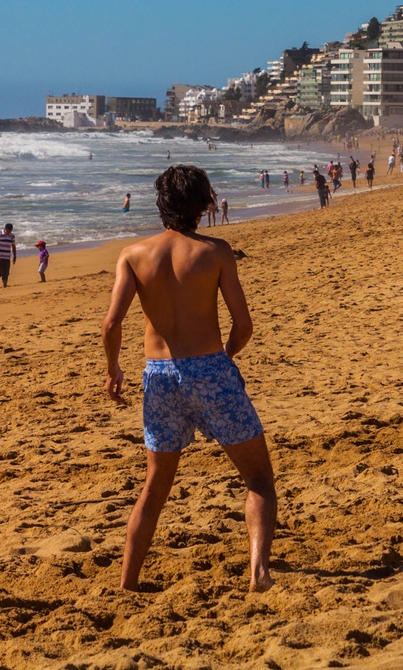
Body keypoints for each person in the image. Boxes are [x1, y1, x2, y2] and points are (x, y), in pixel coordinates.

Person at [101, 165, 275, 593]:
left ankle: (128, 582)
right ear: (202, 205)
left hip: (159, 374)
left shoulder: (133, 254)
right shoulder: (215, 252)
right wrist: (223, 358)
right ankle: (258, 572)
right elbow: (243, 325)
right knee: (257, 479)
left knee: (155, 487)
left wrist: (113, 370)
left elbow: (110, 325)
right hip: (210, 368)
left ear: (161, 204)